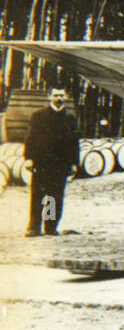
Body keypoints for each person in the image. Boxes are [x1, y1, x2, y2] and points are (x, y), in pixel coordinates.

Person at [23, 87, 79, 236]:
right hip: (41, 162)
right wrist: (29, 158)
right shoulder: (38, 116)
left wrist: (74, 163)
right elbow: (30, 138)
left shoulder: (70, 118)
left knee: (54, 196)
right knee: (37, 195)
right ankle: (34, 227)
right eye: (55, 95)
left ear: (65, 97)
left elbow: (74, 142)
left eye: (61, 95)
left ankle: (50, 227)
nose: (58, 98)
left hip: (60, 164)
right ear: (49, 97)